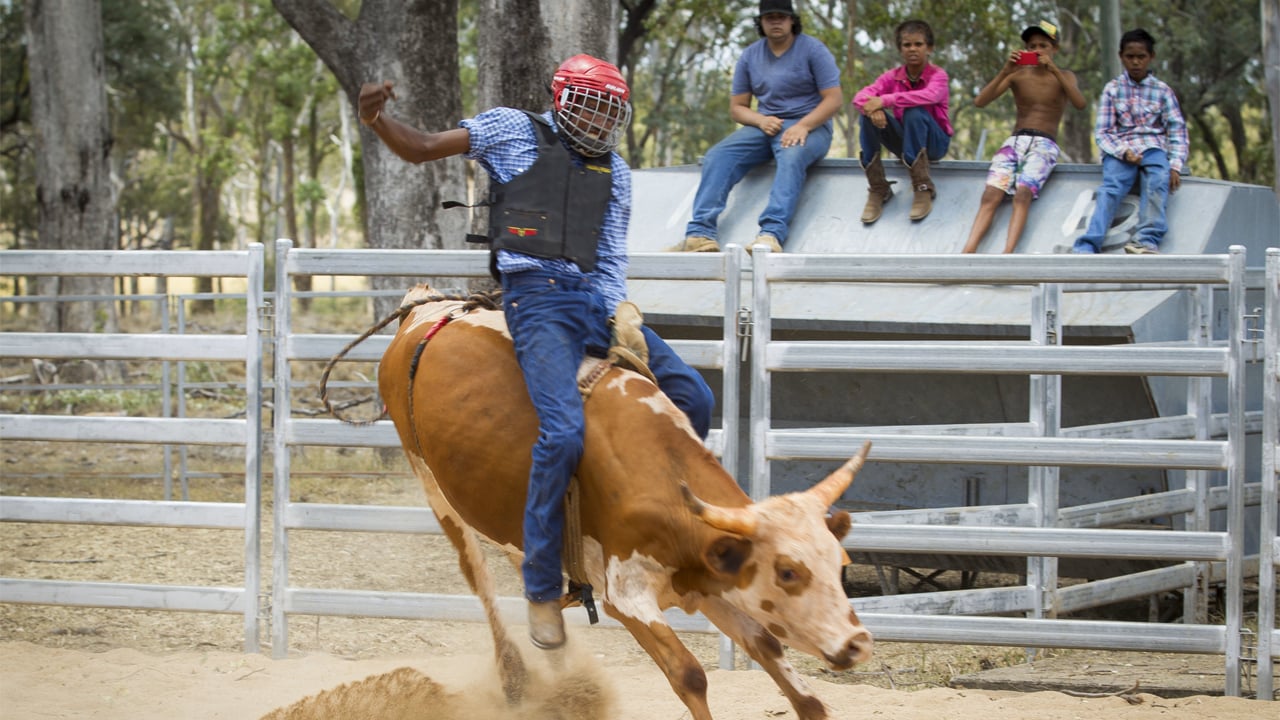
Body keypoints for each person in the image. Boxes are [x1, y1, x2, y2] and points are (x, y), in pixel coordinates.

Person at [358, 55, 716, 651]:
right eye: (590, 110)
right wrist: (378, 120)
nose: (599, 125)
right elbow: (421, 147)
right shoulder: (512, 129)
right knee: (563, 432)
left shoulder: (616, 171)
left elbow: (609, 258)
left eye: (610, 115)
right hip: (536, 300)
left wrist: (619, 312)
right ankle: (546, 585)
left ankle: (658, 534)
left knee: (693, 397)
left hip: (591, 302)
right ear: (563, 101)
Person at [669, 0, 842, 254]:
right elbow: (737, 107)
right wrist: (760, 120)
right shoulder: (751, 55)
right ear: (760, 22)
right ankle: (700, 233)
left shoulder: (813, 50)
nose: (775, 21)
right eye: (769, 17)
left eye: (781, 17)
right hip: (765, 126)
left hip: (810, 126)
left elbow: (834, 99)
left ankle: (771, 233)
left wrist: (803, 126)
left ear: (792, 20)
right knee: (718, 155)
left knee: (791, 154)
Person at [961, 21, 1086, 254]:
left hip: (1045, 143)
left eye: (1044, 45)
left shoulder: (1065, 76)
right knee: (991, 193)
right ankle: (967, 251)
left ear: (1054, 49)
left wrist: (1054, 70)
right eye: (1032, 46)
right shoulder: (1018, 75)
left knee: (1023, 193)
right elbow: (980, 102)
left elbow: (1080, 104)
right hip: (1016, 141)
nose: (1037, 50)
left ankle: (1008, 253)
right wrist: (1006, 70)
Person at [1072, 27, 1188, 255]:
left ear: (1151, 57)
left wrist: (1175, 164)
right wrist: (1123, 152)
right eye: (1130, 57)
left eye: (1141, 57)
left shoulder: (1162, 91)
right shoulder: (1112, 90)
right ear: (1121, 57)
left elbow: (1177, 131)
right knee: (1111, 188)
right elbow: (1103, 132)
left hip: (1153, 148)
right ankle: (1088, 244)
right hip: (1121, 150)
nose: (1136, 62)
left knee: (1158, 180)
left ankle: (1145, 240)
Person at [852, 19, 952, 223]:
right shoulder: (891, 77)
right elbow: (860, 97)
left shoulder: (938, 76)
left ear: (929, 48)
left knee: (914, 111)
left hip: (934, 143)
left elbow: (930, 96)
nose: (912, 49)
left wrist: (885, 100)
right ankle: (879, 187)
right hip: (905, 143)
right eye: (907, 45)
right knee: (867, 115)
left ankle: (923, 187)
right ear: (900, 49)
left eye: (918, 44)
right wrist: (872, 109)